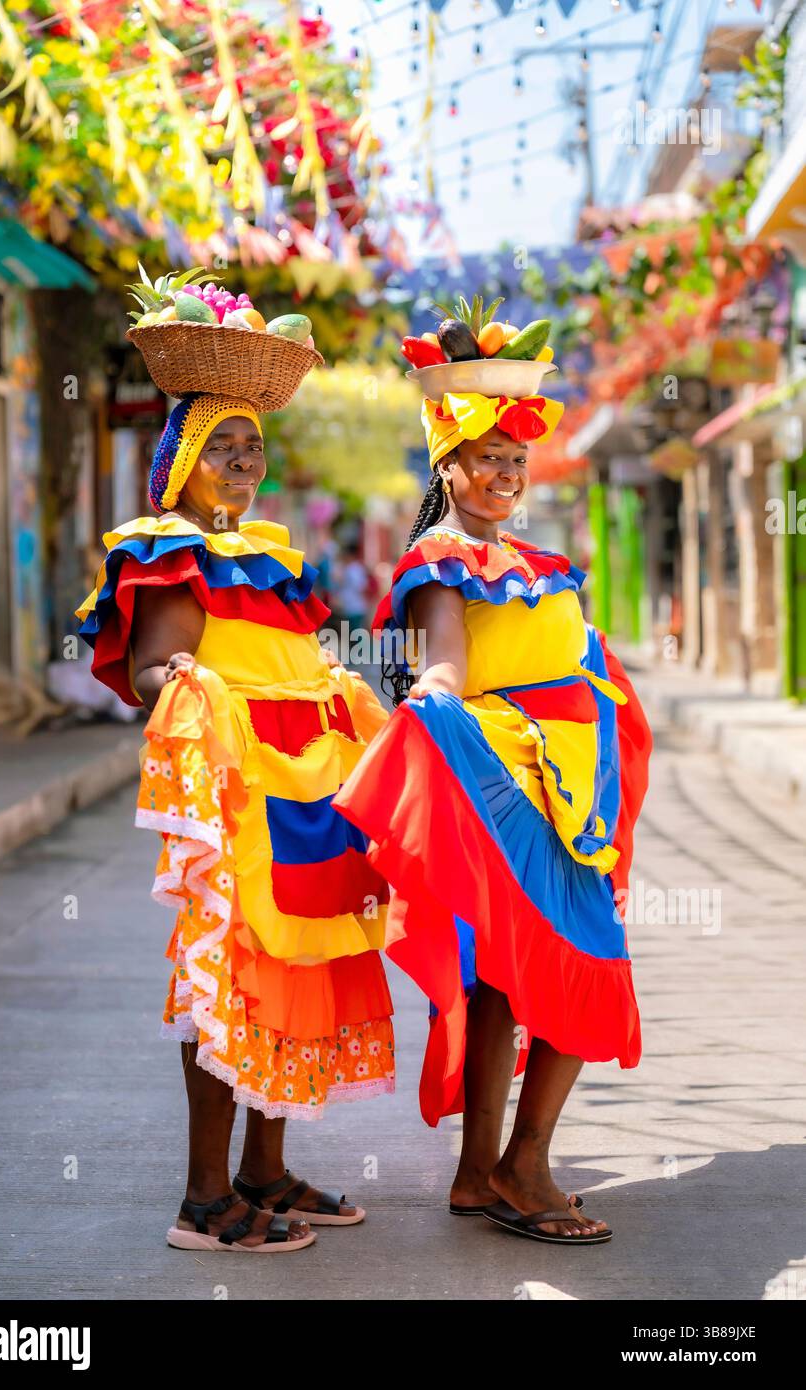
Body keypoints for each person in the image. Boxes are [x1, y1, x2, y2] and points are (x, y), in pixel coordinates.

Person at [77, 352, 395, 1254]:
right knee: (230, 982)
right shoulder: (168, 548)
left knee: (292, 970)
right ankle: (205, 1201)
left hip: (301, 790)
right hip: (232, 798)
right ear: (181, 461)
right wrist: (184, 681)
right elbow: (150, 674)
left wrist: (330, 688)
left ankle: (263, 1172)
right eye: (222, 445)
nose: (244, 462)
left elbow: (281, 663)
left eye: (253, 445)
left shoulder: (265, 556)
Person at [335, 343, 652, 1246]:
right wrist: (427, 708)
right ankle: (521, 1168)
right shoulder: (443, 560)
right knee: (578, 967)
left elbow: (574, 656)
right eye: (488, 459)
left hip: (568, 789)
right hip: (509, 786)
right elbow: (445, 668)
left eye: (516, 459)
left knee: (506, 987)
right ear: (451, 463)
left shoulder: (535, 558)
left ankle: (483, 1174)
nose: (506, 474)